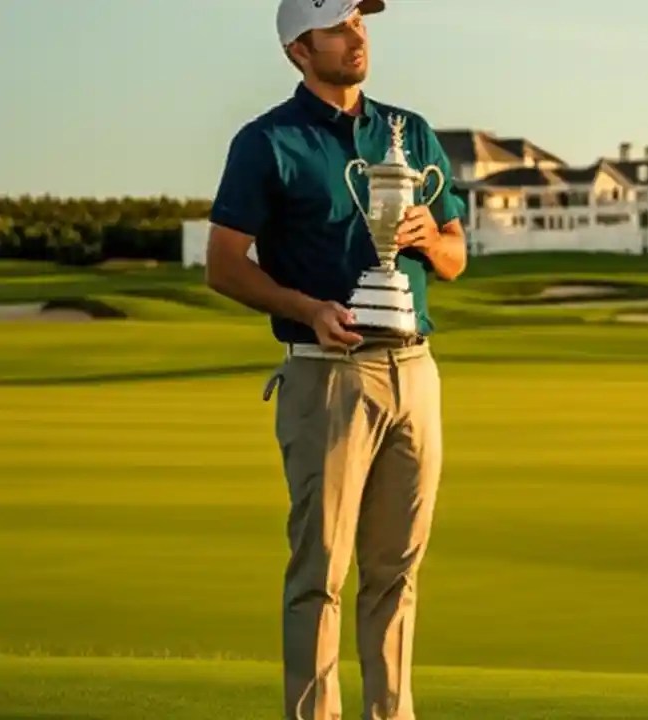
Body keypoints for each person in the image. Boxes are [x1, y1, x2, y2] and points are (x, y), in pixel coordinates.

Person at [203, 1, 468, 718]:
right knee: (320, 573)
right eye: (339, 26)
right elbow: (223, 265)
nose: (357, 36)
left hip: (415, 369)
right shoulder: (267, 142)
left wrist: (423, 239)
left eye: (361, 22)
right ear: (298, 49)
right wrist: (305, 306)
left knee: (398, 571)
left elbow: (455, 255)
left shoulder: (408, 132)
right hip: (325, 371)